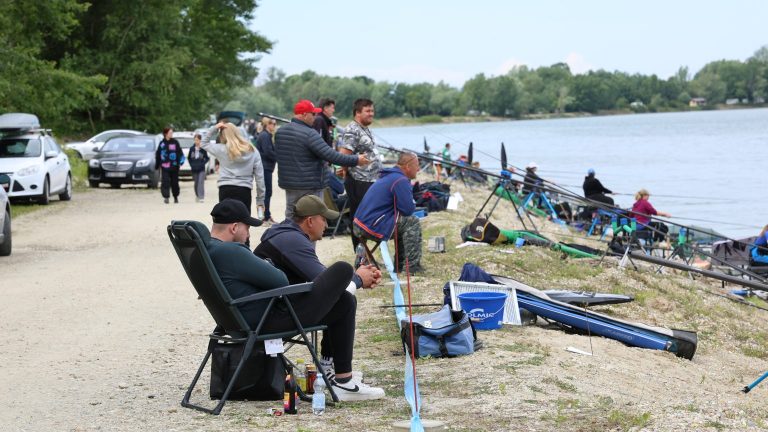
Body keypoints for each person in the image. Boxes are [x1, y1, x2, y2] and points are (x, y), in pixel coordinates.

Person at [206, 199, 384, 401]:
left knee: (343, 300)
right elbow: (279, 279)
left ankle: (336, 375)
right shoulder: (233, 251)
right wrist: (357, 278)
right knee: (343, 270)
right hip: (266, 321)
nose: (249, 232)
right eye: (247, 226)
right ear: (235, 227)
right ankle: (343, 383)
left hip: (240, 319)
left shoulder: (208, 251)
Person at [276, 99, 369, 219]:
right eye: (313, 114)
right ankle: (306, 238)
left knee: (291, 214)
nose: (315, 117)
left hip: (289, 184)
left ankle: (289, 236)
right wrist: (356, 159)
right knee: (312, 218)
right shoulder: (309, 133)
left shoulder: (280, 132)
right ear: (304, 115)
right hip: (309, 185)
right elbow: (331, 155)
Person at [353, 152, 424, 273]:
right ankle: (412, 267)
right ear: (407, 166)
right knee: (412, 222)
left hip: (359, 224)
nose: (418, 169)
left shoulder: (389, 176)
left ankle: (400, 265)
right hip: (371, 226)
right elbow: (407, 210)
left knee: (402, 223)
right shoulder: (400, 180)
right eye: (417, 165)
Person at [341, 98, 383, 251]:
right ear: (358, 113)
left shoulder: (365, 129)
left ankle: (366, 252)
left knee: (369, 216)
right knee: (359, 219)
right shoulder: (352, 129)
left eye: (372, 110)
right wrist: (345, 172)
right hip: (358, 181)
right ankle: (360, 253)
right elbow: (344, 155)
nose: (372, 114)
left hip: (371, 181)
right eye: (368, 111)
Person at [202, 122, 266, 216]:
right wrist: (260, 199)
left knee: (226, 222)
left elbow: (203, 143)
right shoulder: (252, 151)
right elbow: (260, 177)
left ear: (222, 135)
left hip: (225, 189)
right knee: (243, 221)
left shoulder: (221, 149)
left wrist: (215, 128)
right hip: (244, 190)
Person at [155, 127, 185, 204]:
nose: (171, 134)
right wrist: (157, 165)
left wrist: (180, 162)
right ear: (166, 134)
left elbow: (180, 153)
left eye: (172, 133)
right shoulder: (162, 144)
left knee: (175, 182)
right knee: (165, 182)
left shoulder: (175, 142)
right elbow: (158, 155)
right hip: (165, 166)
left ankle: (175, 196)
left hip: (174, 166)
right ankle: (166, 197)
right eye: (170, 133)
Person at [256, 117, 277, 223]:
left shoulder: (266, 135)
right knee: (266, 193)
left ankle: (266, 215)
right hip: (264, 167)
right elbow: (268, 152)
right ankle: (265, 216)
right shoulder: (265, 136)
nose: (274, 125)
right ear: (267, 125)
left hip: (266, 167)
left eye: (275, 123)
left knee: (266, 192)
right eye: (272, 123)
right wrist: (279, 158)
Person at [188, 133, 210, 203]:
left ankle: (201, 197)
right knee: (196, 183)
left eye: (197, 140)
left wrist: (202, 163)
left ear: (200, 140)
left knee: (201, 182)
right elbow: (189, 158)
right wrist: (191, 164)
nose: (196, 141)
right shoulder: (191, 149)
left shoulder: (202, 149)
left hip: (201, 169)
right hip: (194, 169)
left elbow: (207, 158)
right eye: (195, 140)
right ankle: (197, 195)